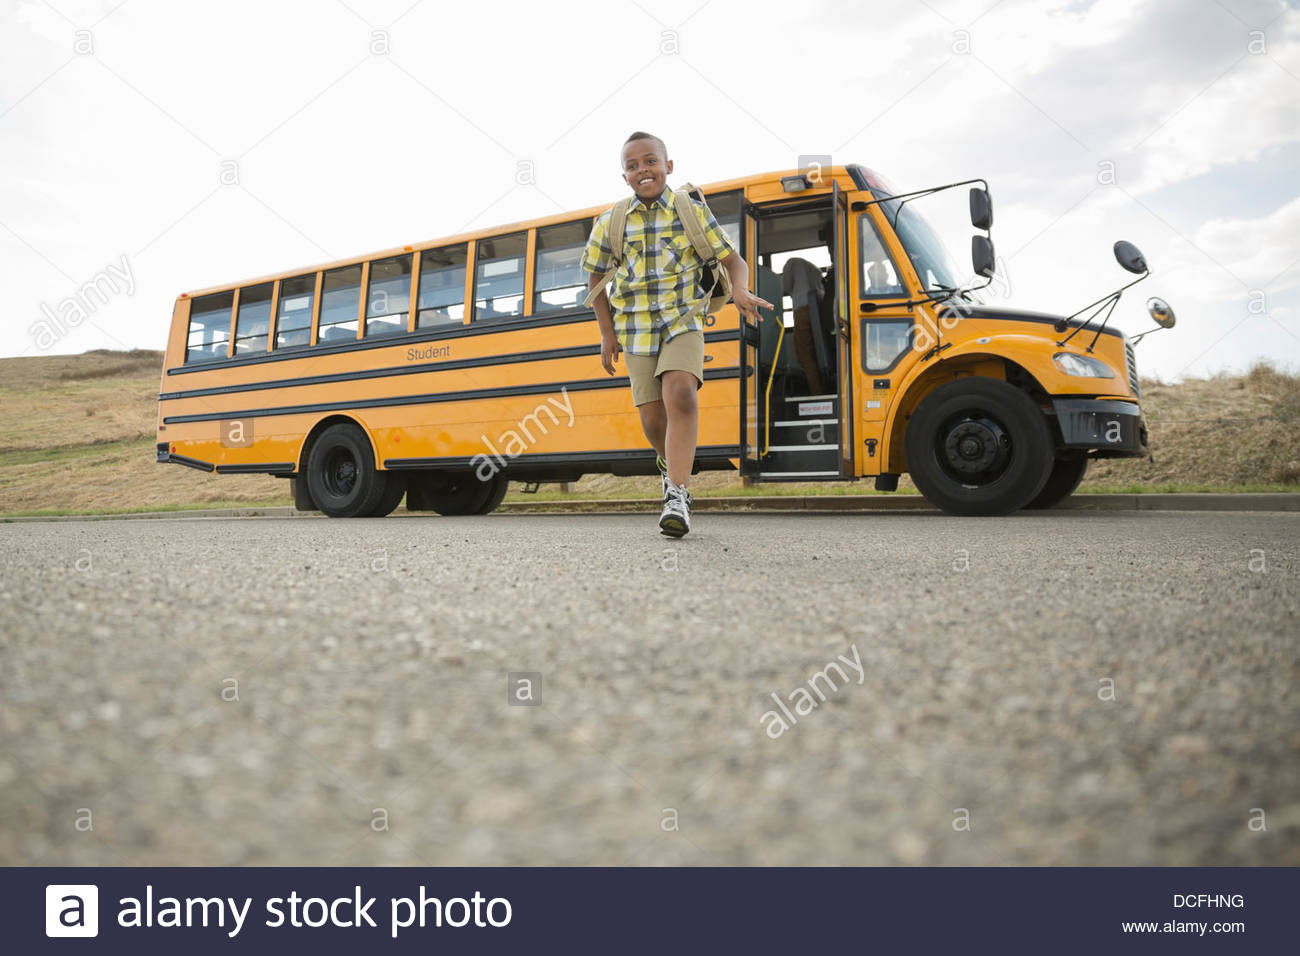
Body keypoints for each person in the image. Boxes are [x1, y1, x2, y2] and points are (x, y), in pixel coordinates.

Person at [581, 131, 772, 537]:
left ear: (669, 166)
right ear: (625, 177)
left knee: (680, 392)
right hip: (634, 327)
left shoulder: (690, 210)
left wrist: (739, 289)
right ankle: (669, 464)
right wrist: (606, 334)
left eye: (650, 161)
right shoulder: (611, 221)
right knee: (652, 417)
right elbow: (595, 280)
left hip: (683, 319)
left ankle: (677, 495)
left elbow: (733, 261)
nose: (642, 170)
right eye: (632, 166)